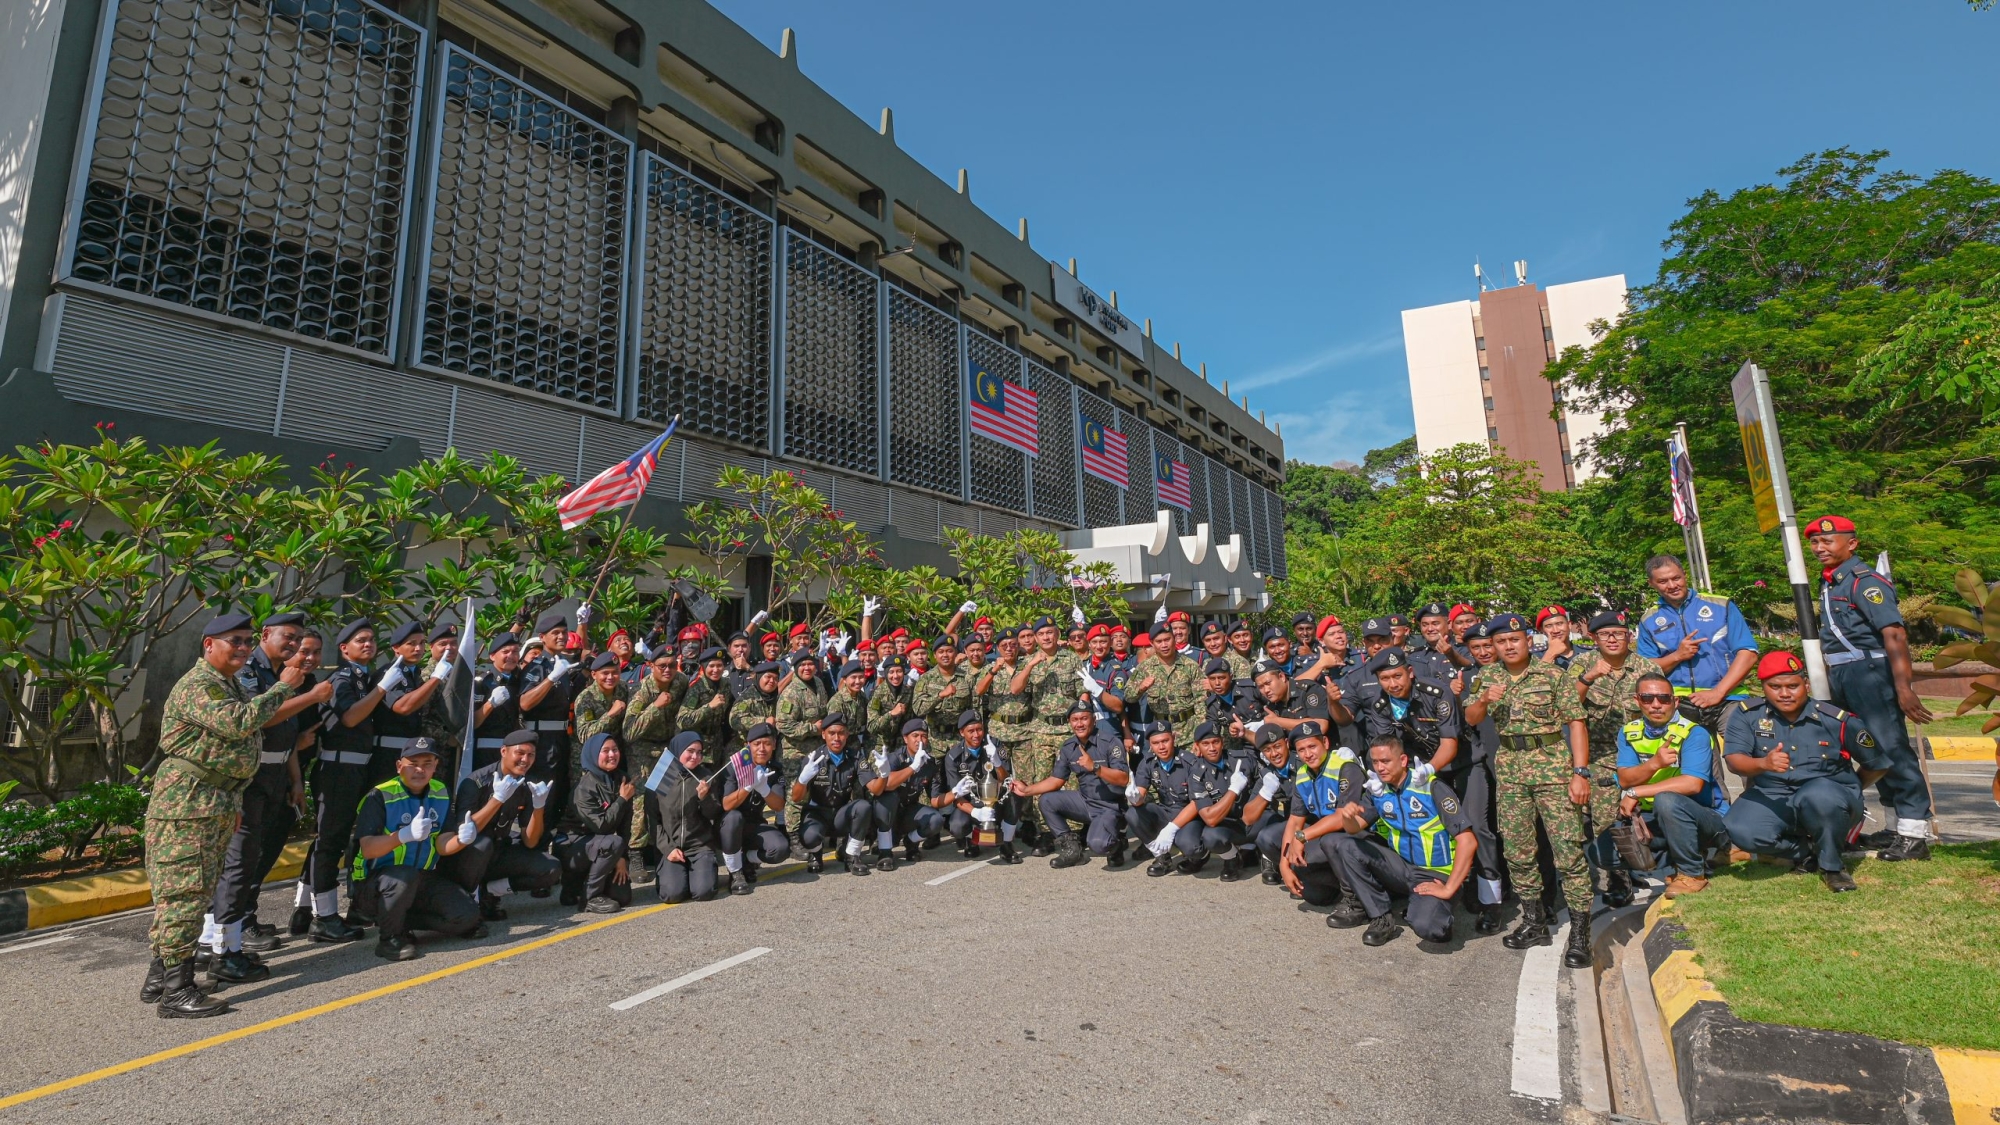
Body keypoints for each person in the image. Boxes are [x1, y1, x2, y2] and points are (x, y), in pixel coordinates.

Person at [139, 611, 303, 1019]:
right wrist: (281, 689)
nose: (244, 649)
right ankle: (176, 993)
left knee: (191, 890)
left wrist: (230, 806)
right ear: (208, 645)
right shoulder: (199, 685)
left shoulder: (225, 683)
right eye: (236, 641)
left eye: (248, 641)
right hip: (188, 806)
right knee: (184, 896)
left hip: (213, 801)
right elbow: (238, 723)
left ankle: (161, 976)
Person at [1463, 613, 1595, 965]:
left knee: (1567, 851)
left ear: (1527, 641)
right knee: (1518, 851)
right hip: (1511, 770)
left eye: (1514, 639)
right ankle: (1534, 921)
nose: (1508, 646)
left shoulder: (1552, 675)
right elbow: (1471, 718)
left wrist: (1580, 772)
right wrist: (1484, 700)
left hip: (1552, 765)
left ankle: (1581, 934)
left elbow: (1576, 723)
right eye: (1501, 642)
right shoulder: (1486, 676)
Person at [205, 611, 330, 977]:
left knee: (253, 859)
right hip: (249, 777)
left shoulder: (279, 673)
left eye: (297, 639)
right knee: (237, 863)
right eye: (287, 637)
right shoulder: (251, 671)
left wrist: (295, 780)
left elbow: (287, 738)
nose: (292, 645)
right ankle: (221, 947)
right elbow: (256, 719)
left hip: (275, 775)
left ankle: (231, 939)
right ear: (266, 635)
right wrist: (307, 696)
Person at [1806, 514, 1934, 860]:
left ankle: (1915, 834)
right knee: (1871, 751)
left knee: (1892, 749)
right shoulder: (1831, 582)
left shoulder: (1865, 582)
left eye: (1828, 541)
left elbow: (1894, 634)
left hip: (1869, 673)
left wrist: (1904, 688)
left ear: (1852, 544)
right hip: (1844, 675)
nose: (1820, 547)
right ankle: (1896, 829)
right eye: (1815, 542)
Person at [1722, 652, 1874, 893]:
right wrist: (1763, 764)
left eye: (1792, 686)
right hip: (1774, 794)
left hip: (1827, 799)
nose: (1784, 693)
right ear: (1763, 687)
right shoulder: (1747, 714)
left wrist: (1849, 791)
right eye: (1775, 687)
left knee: (1820, 795)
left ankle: (1833, 868)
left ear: (1806, 684)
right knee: (1740, 829)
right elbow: (1734, 760)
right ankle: (1807, 852)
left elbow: (1877, 762)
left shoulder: (1835, 719)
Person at [1326, 739, 1481, 949]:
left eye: (1385, 761)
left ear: (1403, 760)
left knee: (1429, 928)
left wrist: (1449, 888)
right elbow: (1354, 828)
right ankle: (1381, 918)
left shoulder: (1431, 787)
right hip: (1402, 867)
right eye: (1375, 762)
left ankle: (1437, 910)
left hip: (1436, 873)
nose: (1379, 768)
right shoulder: (1379, 790)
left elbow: (1468, 842)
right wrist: (1348, 816)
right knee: (1344, 844)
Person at [304, 619, 397, 942]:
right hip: (338, 769)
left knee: (333, 840)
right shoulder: (341, 679)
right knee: (330, 843)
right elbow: (350, 717)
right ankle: (324, 917)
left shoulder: (362, 679)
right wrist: (383, 689)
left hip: (356, 769)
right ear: (344, 649)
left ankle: (305, 909)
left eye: (372, 639)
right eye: (361, 640)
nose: (369, 644)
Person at [350, 737, 482, 961]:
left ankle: (402, 920)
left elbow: (442, 842)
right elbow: (368, 848)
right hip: (377, 883)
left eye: (427, 763)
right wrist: (403, 836)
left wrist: (461, 840)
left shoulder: (440, 792)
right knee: (403, 876)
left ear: (435, 766)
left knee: (468, 917)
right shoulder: (380, 795)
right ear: (399, 766)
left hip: (421, 878)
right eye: (413, 763)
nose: (420, 769)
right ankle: (390, 939)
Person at [1569, 609, 1665, 905]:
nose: (1612, 639)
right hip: (1600, 754)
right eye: (1605, 634)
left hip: (1641, 752)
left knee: (1646, 812)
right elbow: (1566, 706)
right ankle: (1617, 877)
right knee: (1606, 818)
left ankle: (1642, 862)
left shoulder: (1645, 667)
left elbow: (1661, 709)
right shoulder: (1581, 664)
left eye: (1619, 634)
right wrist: (1588, 678)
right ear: (1593, 637)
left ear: (1629, 637)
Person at [1610, 673, 1731, 897]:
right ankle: (1676, 861)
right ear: (1637, 701)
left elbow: (1692, 784)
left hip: (1707, 816)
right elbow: (1625, 779)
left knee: (1667, 801)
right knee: (1605, 849)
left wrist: (1637, 791)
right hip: (1656, 815)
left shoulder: (1695, 732)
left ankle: (1692, 873)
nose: (1656, 705)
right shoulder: (1628, 732)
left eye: (1664, 699)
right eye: (1648, 698)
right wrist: (1654, 763)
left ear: (1675, 702)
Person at [1635, 554, 1760, 743]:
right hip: (1680, 704)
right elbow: (1646, 668)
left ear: (1685, 575)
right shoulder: (1648, 619)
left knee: (1743, 759)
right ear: (1651, 583)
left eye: (1676, 578)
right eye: (1662, 581)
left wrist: (1717, 692)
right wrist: (1677, 656)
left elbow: (1748, 653)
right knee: (1699, 769)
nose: (1671, 585)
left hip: (1728, 698)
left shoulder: (1721, 605)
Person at [440, 730, 562, 920]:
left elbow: (530, 841)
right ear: (504, 751)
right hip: (470, 855)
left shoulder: (527, 784)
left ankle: (490, 892)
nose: (525, 760)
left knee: (550, 868)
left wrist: (538, 807)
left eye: (531, 755)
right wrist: (497, 799)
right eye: (520, 753)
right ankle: (468, 902)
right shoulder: (475, 782)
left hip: (498, 850)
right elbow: (465, 834)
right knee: (482, 844)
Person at [1014, 701, 1129, 868]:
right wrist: (1027, 790)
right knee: (1046, 800)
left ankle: (1116, 844)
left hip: (1109, 806)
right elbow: (1056, 780)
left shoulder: (1110, 742)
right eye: (1075, 719)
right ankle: (1073, 851)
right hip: (1085, 802)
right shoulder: (1069, 746)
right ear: (1070, 722)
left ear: (1094, 719)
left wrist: (1095, 767)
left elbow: (1123, 779)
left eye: (1084, 718)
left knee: (1098, 844)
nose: (1079, 724)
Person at [1276, 720, 1370, 918]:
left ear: (1325, 743)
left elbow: (1341, 817)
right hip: (1329, 837)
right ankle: (1340, 886)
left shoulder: (1345, 767)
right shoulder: (1302, 775)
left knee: (1314, 850)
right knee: (1314, 894)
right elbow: (1294, 820)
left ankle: (1357, 900)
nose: (1308, 754)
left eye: (1312, 746)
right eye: (1301, 750)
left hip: (1362, 835)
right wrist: (1283, 864)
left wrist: (1301, 837)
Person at [1012, 617, 1081, 853]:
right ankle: (1045, 832)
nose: (1046, 638)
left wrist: (1081, 722)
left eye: (1050, 633)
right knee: (1041, 780)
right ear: (1036, 638)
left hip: (1067, 730)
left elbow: (1083, 692)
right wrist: (1031, 665)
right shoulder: (1028, 661)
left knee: (1071, 781)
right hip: (1041, 730)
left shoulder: (1071, 658)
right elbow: (1016, 688)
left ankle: (1072, 831)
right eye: (1041, 634)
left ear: (1057, 634)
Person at [622, 645, 686, 877]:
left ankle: (663, 846)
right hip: (643, 749)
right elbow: (629, 732)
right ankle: (635, 854)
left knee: (668, 798)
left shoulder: (681, 681)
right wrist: (655, 707)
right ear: (650, 667)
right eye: (662, 666)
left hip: (669, 748)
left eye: (672, 665)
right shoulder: (642, 692)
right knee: (641, 800)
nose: (668, 670)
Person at [558, 732, 635, 912]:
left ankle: (573, 888)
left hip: (600, 845)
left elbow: (625, 824)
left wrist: (622, 857)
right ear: (593, 755)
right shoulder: (584, 788)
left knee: (622, 896)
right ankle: (590, 897)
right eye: (605, 751)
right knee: (613, 842)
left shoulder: (622, 780)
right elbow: (601, 826)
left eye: (615, 750)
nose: (612, 755)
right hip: (573, 848)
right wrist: (622, 800)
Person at [788, 713, 873, 875]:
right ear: (823, 734)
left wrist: (883, 775)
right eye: (832, 733)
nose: (837, 738)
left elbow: (874, 787)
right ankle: (816, 853)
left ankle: (852, 856)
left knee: (863, 807)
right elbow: (796, 798)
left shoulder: (854, 757)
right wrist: (803, 780)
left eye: (841, 733)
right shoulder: (813, 759)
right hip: (817, 813)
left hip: (841, 813)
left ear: (847, 735)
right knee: (809, 836)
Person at [518, 609, 580, 823]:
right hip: (542, 738)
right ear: (542, 638)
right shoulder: (538, 667)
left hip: (561, 738)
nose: (561, 636)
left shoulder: (561, 664)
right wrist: (551, 678)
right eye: (556, 633)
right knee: (542, 792)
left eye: (564, 632)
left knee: (558, 792)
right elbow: (525, 703)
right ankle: (533, 843)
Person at [651, 731, 725, 903]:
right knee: (672, 894)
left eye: (699, 752)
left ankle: (704, 869)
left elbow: (714, 814)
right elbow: (653, 820)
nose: (695, 757)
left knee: (703, 892)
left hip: (699, 846)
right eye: (690, 751)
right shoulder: (662, 776)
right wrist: (668, 849)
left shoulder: (706, 776)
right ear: (678, 751)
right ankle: (671, 873)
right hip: (672, 846)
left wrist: (704, 798)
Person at [937, 711, 1020, 862]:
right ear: (962, 732)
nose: (976, 735)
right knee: (957, 826)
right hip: (970, 803)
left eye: (979, 729)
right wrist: (976, 812)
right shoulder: (953, 756)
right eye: (971, 731)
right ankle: (971, 840)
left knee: (1015, 792)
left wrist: (997, 763)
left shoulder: (994, 745)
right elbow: (957, 796)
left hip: (996, 800)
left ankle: (1007, 844)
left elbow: (1006, 780)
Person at [717, 722, 789, 894]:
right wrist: (748, 786)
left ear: (773, 746)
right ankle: (735, 873)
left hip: (752, 824)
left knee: (780, 849)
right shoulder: (734, 766)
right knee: (734, 817)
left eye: (767, 743)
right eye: (757, 744)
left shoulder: (774, 770)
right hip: (727, 826)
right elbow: (727, 805)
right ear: (748, 746)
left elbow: (778, 805)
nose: (762, 749)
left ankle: (747, 859)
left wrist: (764, 788)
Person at [1125, 725, 1204, 877]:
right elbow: (1140, 794)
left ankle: (1199, 857)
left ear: (1173, 738)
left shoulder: (1190, 762)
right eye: (1156, 743)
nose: (1161, 747)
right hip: (1165, 810)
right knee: (1132, 813)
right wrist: (1135, 797)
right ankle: (1161, 857)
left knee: (1190, 846)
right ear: (1150, 745)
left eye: (1165, 741)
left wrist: (1172, 828)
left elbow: (1196, 803)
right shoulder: (1148, 762)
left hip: (1189, 815)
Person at [1186, 721, 1255, 880]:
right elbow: (1210, 818)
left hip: (1253, 820)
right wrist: (1234, 790)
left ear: (1222, 742)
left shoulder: (1242, 760)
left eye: (1215, 742)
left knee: (1271, 826)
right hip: (1229, 826)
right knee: (1211, 837)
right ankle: (1232, 858)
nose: (1212, 748)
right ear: (1197, 746)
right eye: (1206, 744)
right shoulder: (1197, 774)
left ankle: (1269, 861)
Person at [1124, 621, 1204, 748]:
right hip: (1161, 735)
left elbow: (1201, 702)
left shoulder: (1190, 666)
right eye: (1159, 641)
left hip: (1189, 734)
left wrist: (1200, 737)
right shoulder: (1145, 668)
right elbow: (1128, 696)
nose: (1164, 645)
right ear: (1152, 643)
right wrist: (1140, 688)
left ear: (1174, 639)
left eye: (1167, 640)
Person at [1236, 725, 1297, 885]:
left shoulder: (1302, 763)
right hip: (1288, 825)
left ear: (1287, 743)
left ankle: (1300, 869)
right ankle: (1279, 862)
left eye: (1277, 746)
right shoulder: (1268, 775)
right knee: (1263, 832)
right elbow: (1248, 819)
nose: (1274, 754)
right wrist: (1266, 792)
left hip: (1309, 824)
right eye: (1267, 750)